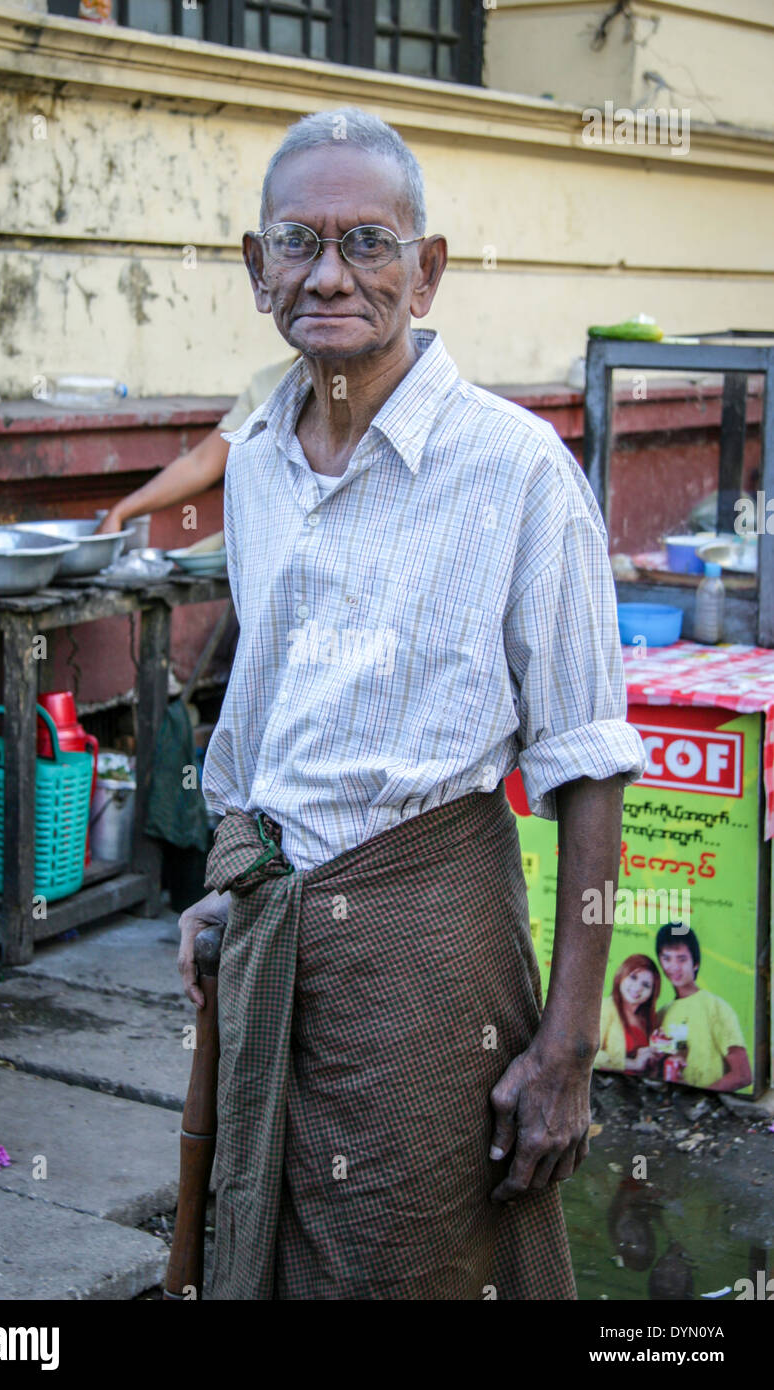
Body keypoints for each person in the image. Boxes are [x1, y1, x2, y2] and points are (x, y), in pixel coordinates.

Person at [177, 106, 647, 1301]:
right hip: (267, 922)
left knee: (409, 1257)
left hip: (429, 961)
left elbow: (587, 764)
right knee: (259, 1234)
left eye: (368, 243)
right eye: (297, 241)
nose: (329, 272)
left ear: (425, 271)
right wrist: (217, 885)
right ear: (255, 267)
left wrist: (568, 1048)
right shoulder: (261, 463)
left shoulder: (517, 469)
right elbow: (263, 707)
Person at [96, 356, 297, 534]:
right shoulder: (267, 383)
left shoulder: (329, 387)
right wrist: (121, 512)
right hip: (269, 545)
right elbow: (201, 464)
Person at [655, 923, 751, 1092]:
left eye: (681, 958)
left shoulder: (716, 1007)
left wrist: (697, 1100)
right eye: (666, 958)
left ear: (696, 962)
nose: (673, 967)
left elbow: (742, 1075)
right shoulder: (661, 1013)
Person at [596, 954, 660, 1075]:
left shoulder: (648, 1018)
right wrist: (633, 1063)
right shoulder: (606, 1007)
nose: (637, 987)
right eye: (633, 977)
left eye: (646, 985)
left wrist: (654, 1058)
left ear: (652, 992)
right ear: (621, 975)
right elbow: (589, 1054)